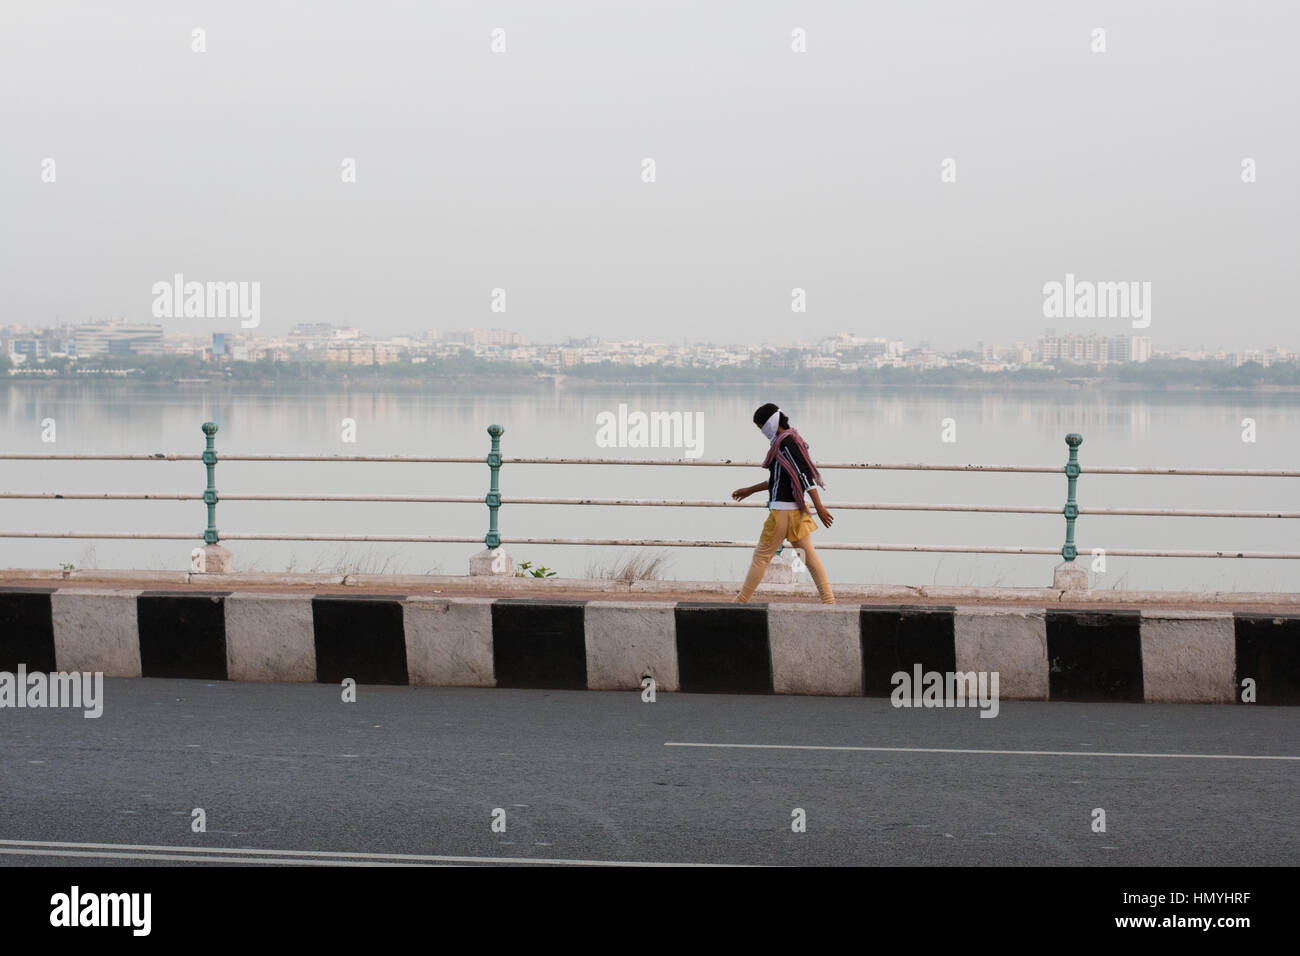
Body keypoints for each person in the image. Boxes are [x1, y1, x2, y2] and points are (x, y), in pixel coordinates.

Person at [731, 403, 835, 604]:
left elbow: (804, 476)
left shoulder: (786, 444)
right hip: (796, 514)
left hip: (781, 514)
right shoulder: (786, 442)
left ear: (770, 424)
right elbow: (779, 479)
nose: (761, 431)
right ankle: (829, 602)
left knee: (761, 558)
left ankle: (740, 602)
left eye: (761, 427)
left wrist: (820, 508)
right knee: (809, 558)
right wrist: (750, 490)